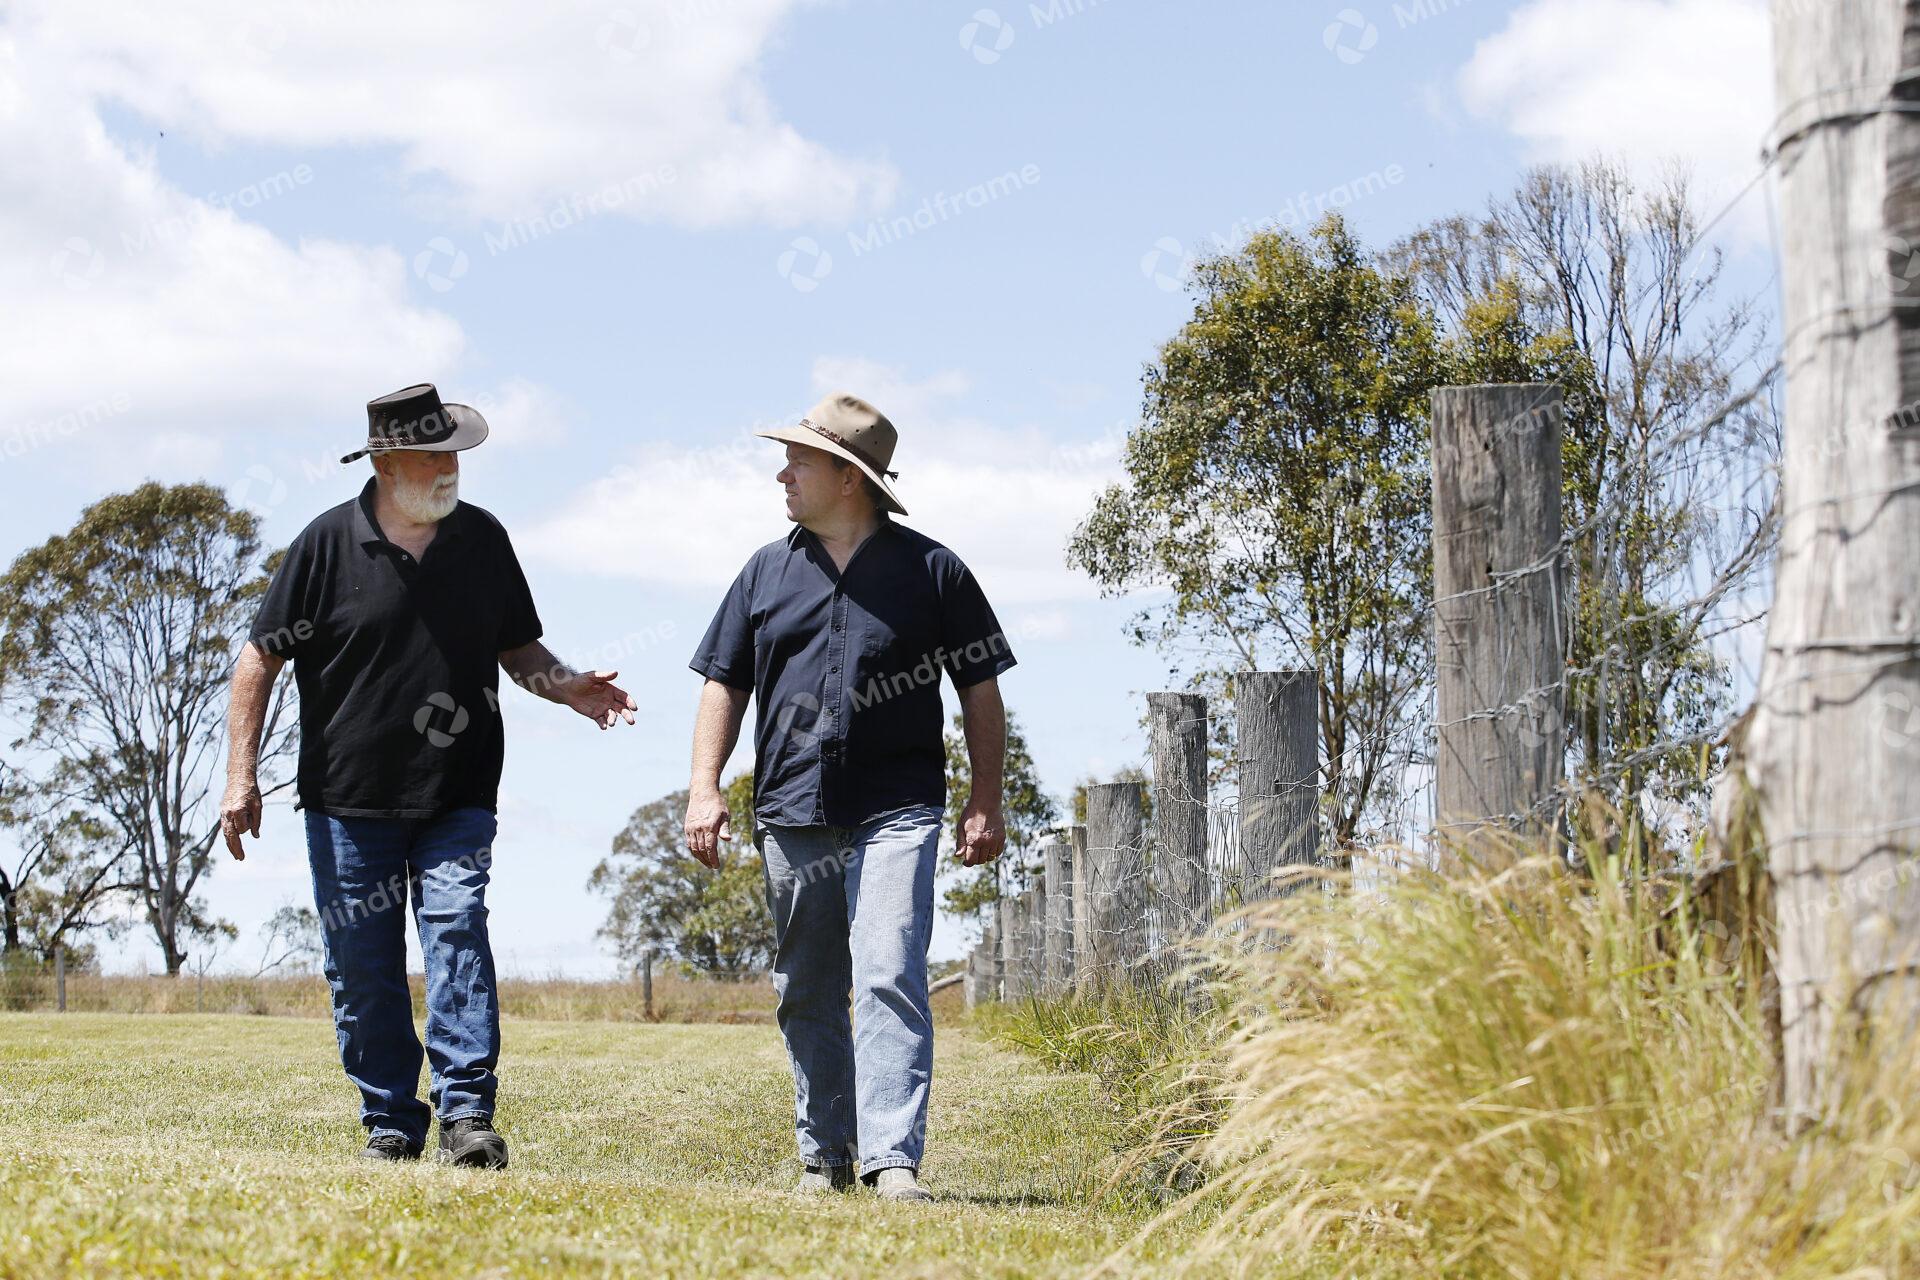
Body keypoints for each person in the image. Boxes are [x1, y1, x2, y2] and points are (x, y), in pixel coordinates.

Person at [220, 383, 636, 1168]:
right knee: (363, 963)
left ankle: (467, 1115)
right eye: (433, 453)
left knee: (457, 935)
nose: (450, 468)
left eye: (455, 453)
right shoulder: (324, 546)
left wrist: (570, 686)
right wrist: (240, 775)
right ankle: (389, 1119)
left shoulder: (482, 541)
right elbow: (258, 659)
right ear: (384, 460)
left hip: (459, 793)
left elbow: (519, 652)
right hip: (347, 801)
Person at [684, 392, 1013, 1203]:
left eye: (798, 460)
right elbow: (724, 683)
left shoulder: (935, 571)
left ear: (847, 477)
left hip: (898, 805)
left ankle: (892, 1159)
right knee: (806, 982)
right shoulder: (764, 570)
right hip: (793, 807)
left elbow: (979, 691)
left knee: (889, 970)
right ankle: (823, 1155)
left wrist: (986, 799)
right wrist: (704, 789)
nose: (782, 473)